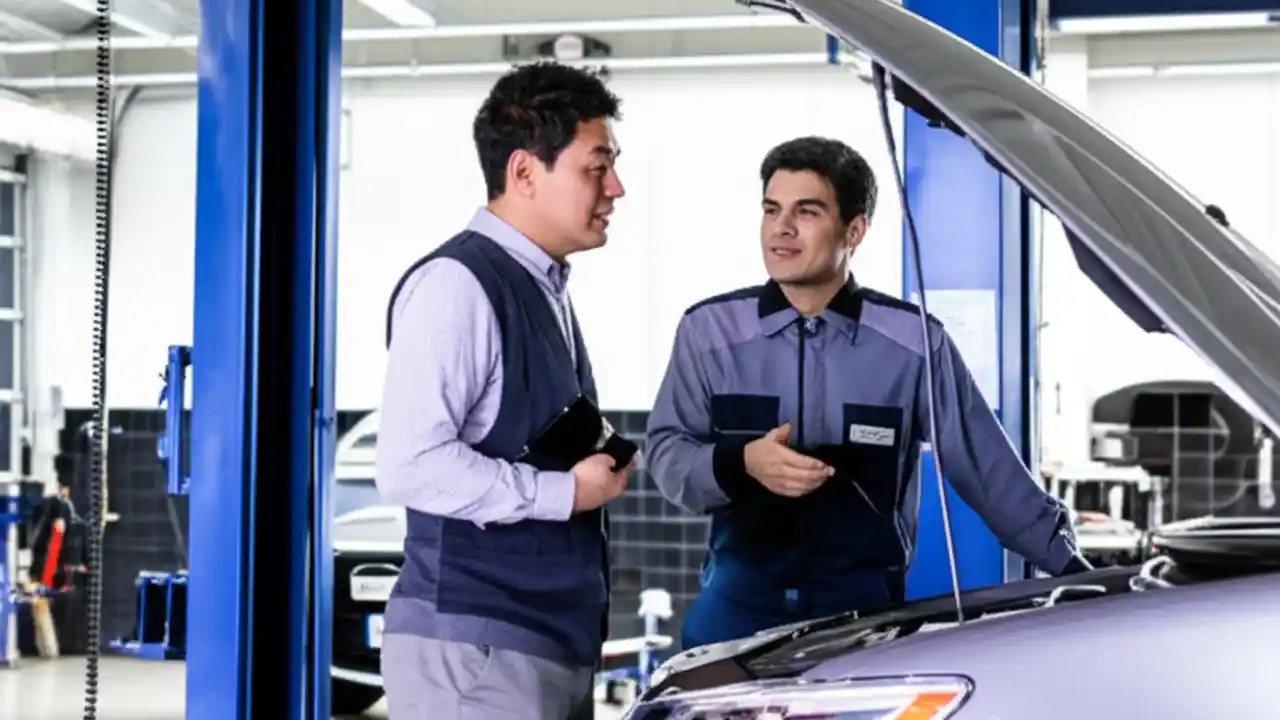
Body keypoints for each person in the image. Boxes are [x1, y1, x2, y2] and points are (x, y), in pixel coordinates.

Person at [645, 136, 1090, 650]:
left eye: (805, 212)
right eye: (772, 210)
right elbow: (666, 453)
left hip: (863, 621)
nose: (781, 229)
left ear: (853, 230)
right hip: (736, 615)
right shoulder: (710, 332)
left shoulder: (914, 341)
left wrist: (1074, 571)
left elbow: (988, 470)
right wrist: (740, 462)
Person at [375, 61, 634, 720]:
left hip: (542, 640)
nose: (617, 188)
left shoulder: (543, 286)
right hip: (478, 650)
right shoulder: (456, 286)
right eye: (595, 167)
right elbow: (411, 464)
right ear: (523, 172)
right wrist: (565, 492)